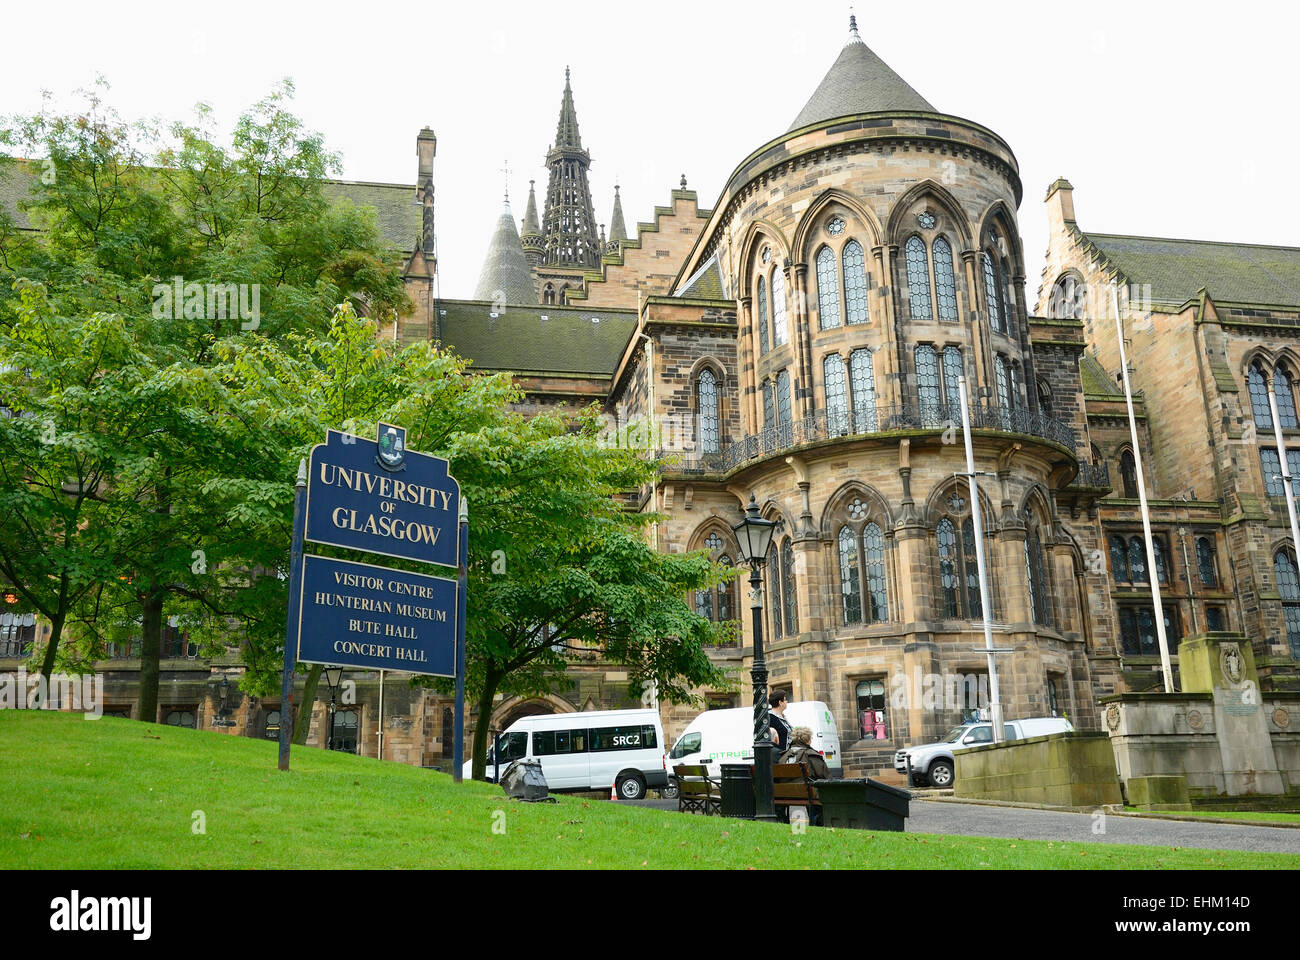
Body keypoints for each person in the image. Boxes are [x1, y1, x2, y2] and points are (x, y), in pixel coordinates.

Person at [768, 688, 792, 755]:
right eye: (785, 700)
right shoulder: (770, 717)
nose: (787, 701)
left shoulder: (783, 716)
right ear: (780, 702)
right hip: (778, 756)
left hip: (787, 755)